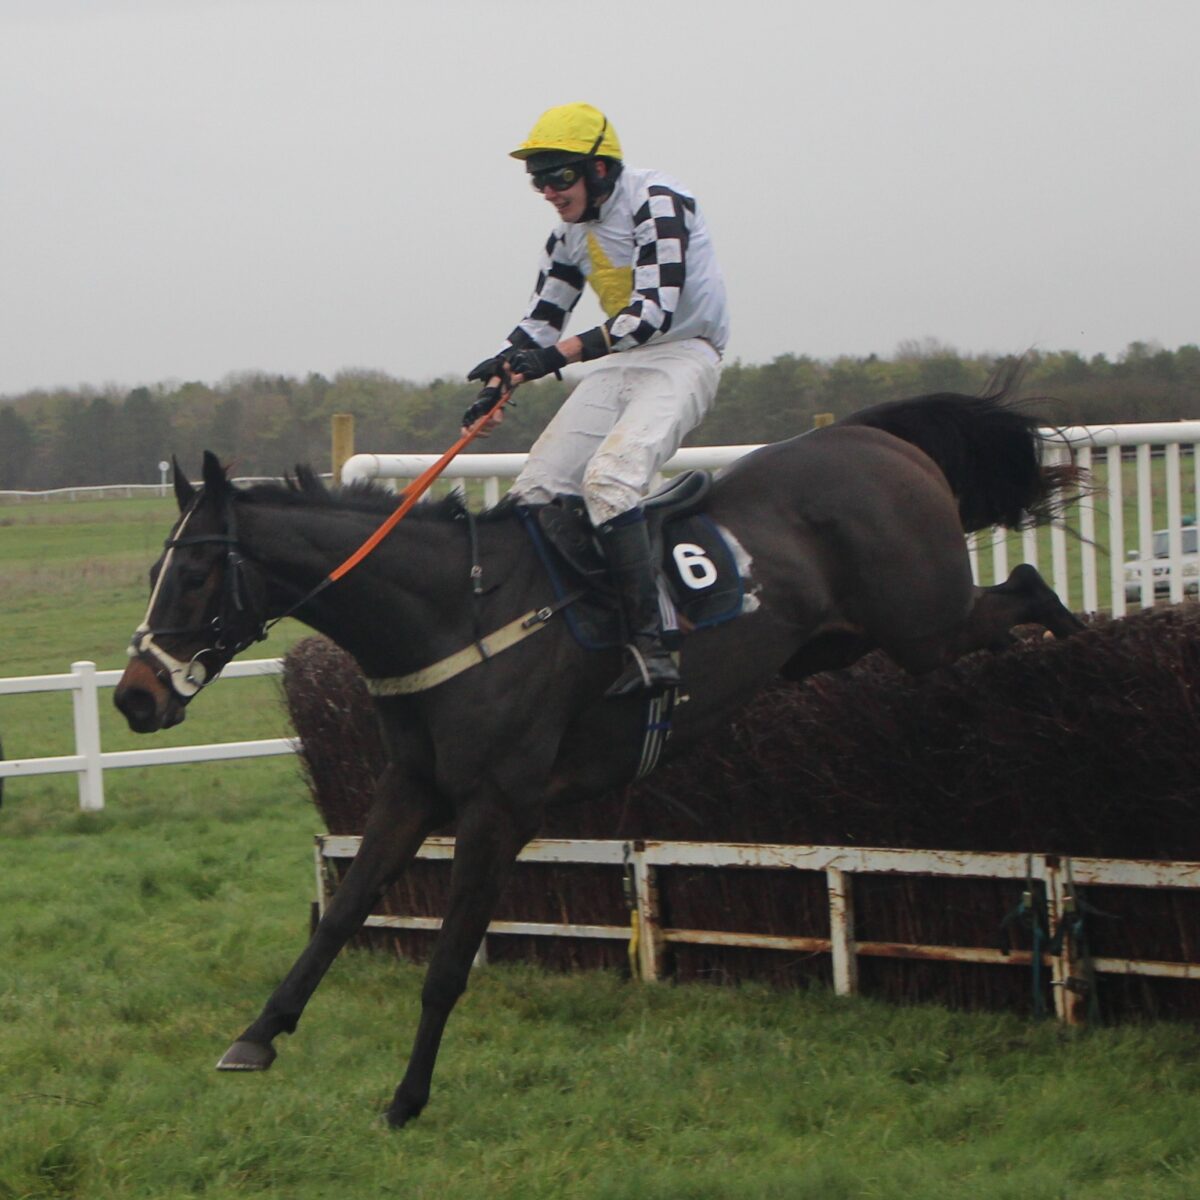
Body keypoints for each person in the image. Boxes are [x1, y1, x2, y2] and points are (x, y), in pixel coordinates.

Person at [464, 102, 730, 696]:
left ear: (601, 170)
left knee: (609, 481)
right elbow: (542, 322)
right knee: (534, 492)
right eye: (537, 178)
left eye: (559, 176)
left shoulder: (659, 200)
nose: (547, 191)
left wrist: (551, 359)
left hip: (685, 353)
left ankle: (654, 642)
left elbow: (650, 315)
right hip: (623, 362)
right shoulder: (567, 234)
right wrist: (500, 378)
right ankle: (591, 613)